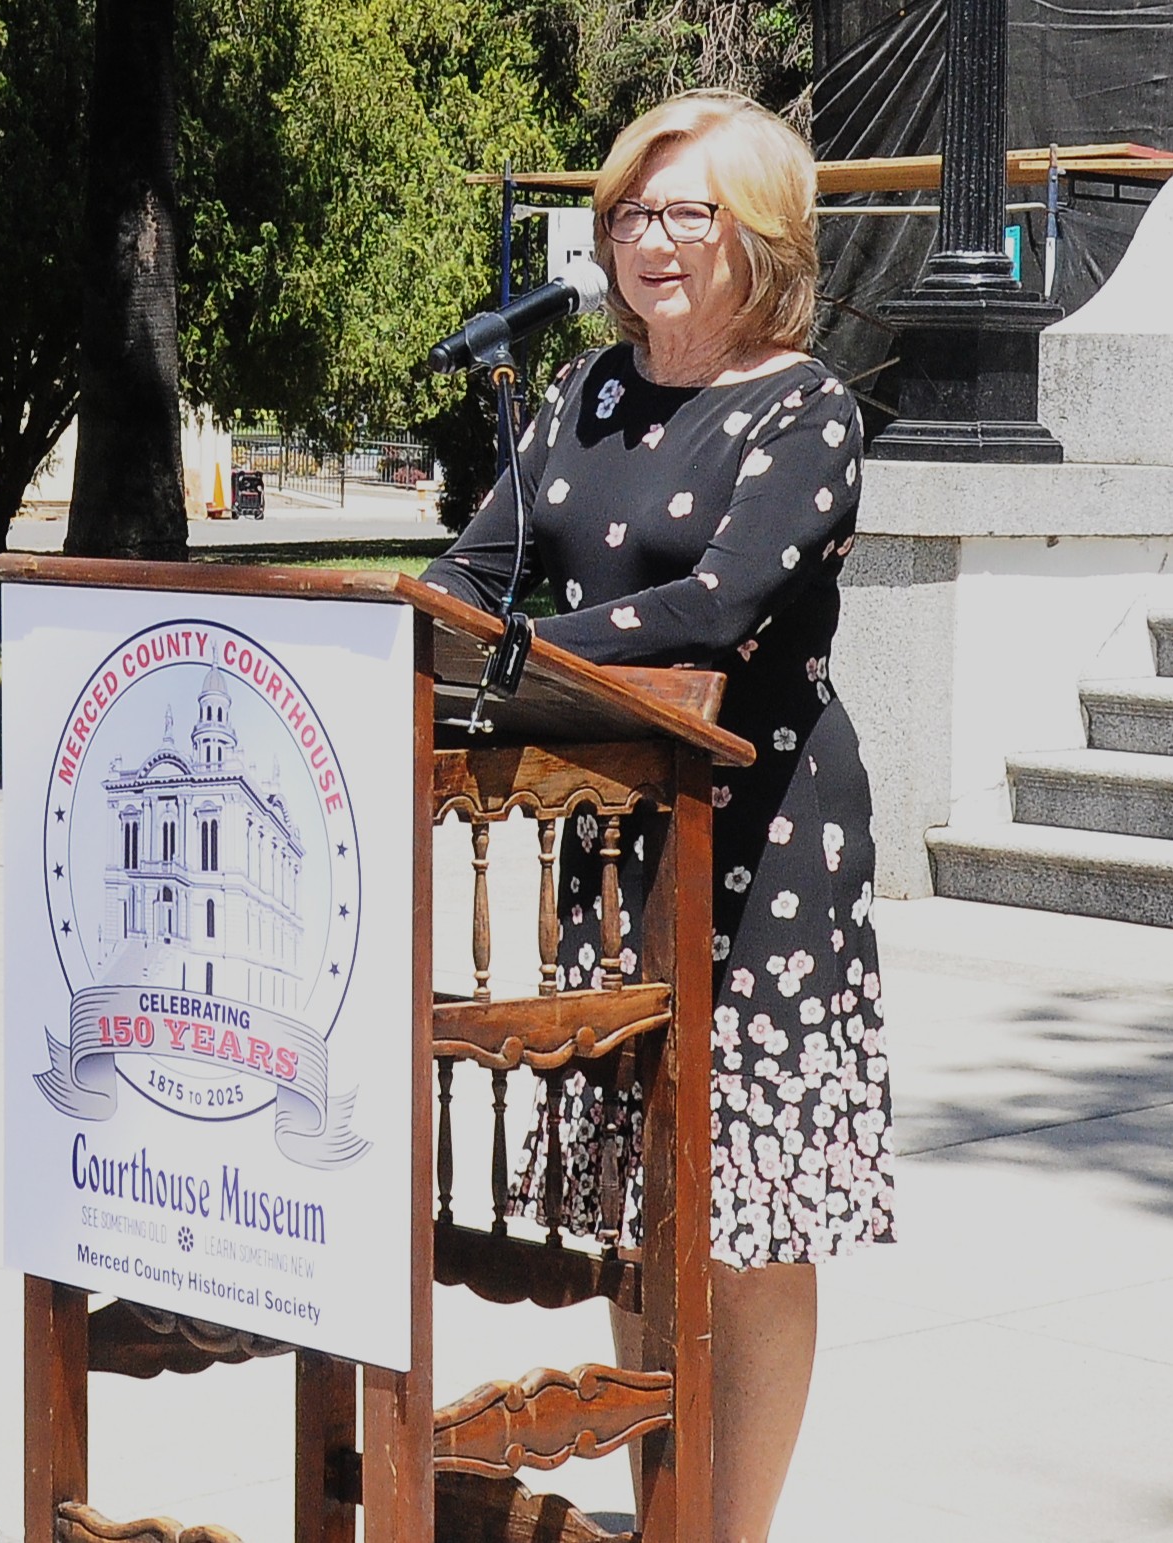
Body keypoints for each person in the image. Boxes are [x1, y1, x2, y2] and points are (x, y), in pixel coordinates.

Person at [424, 90, 893, 1543]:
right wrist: (427, 634)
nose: (649, 240)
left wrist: (535, 644)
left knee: (744, 1226)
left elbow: (719, 606)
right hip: (607, 837)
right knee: (635, 1212)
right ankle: (660, 1513)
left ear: (757, 233)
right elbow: (465, 574)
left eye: (685, 211)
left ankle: (724, 1531)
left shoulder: (803, 407)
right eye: (629, 211)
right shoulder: (583, 395)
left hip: (760, 859)